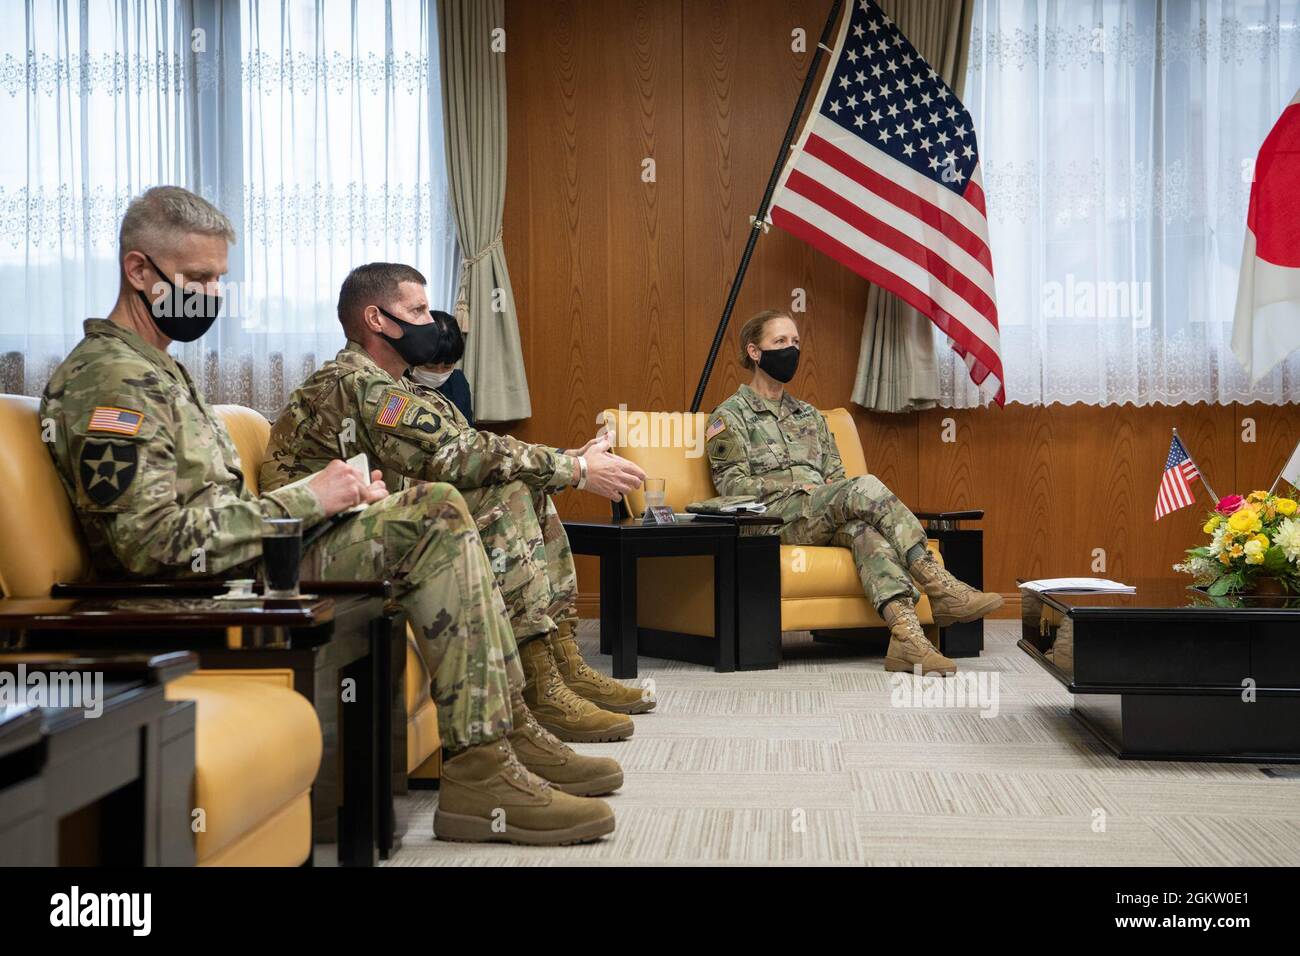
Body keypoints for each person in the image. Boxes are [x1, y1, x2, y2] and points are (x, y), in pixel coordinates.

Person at [40, 186, 617, 845]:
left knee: (432, 511)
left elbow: (210, 515)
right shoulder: (110, 381)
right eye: (197, 277)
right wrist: (312, 499)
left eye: (219, 278)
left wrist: (329, 500)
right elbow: (153, 546)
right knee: (430, 516)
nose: (212, 294)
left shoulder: (155, 369)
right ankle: (485, 765)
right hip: (183, 597)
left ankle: (504, 733)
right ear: (139, 270)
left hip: (238, 568)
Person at [259, 262, 655, 747]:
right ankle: (537, 682)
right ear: (376, 319)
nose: (431, 322)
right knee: (501, 488)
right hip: (309, 545)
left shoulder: (401, 387)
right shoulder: (357, 385)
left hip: (367, 525)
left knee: (519, 481)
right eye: (417, 310)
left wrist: (568, 460)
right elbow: (456, 456)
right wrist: (576, 471)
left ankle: (559, 657)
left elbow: (467, 446)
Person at [705, 309, 1002, 676]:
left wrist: (826, 492)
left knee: (867, 532)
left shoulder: (810, 416)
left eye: (796, 342)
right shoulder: (729, 415)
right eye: (779, 342)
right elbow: (732, 486)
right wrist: (803, 488)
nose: (791, 350)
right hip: (774, 520)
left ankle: (906, 638)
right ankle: (936, 581)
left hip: (821, 514)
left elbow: (836, 476)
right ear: (754, 351)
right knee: (864, 486)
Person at [407, 312, 475, 425]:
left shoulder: (458, 383)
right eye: (430, 366)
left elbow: (467, 430)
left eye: (447, 367)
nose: (439, 373)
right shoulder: (395, 380)